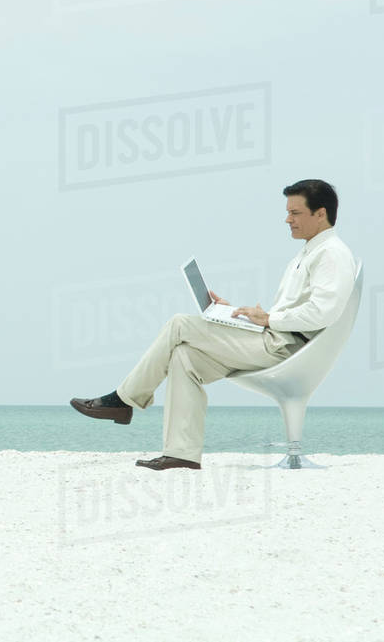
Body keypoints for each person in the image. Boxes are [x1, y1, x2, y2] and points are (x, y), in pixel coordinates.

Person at [70, 179, 357, 470]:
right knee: (185, 357)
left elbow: (323, 312)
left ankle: (122, 400)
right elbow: (298, 310)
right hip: (276, 338)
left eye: (295, 213)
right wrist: (234, 313)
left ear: (320, 214)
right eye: (288, 212)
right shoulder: (312, 251)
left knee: (179, 324)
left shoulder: (331, 253)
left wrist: (269, 319)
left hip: (286, 348)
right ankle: (182, 454)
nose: (287, 219)